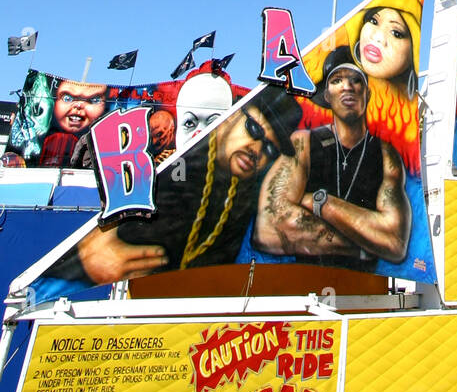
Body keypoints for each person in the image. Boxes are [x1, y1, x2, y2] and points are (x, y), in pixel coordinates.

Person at [72, 87, 300, 282]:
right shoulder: (174, 163)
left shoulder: (242, 195)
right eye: (254, 130)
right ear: (231, 117)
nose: (257, 150)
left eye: (270, 148)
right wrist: (88, 254)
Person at [256, 48, 411, 267]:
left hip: (362, 289)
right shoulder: (304, 143)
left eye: (355, 80)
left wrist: (322, 203)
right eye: (337, 80)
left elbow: (395, 243)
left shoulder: (385, 154)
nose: (347, 87)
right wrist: (363, 246)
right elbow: (268, 228)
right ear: (327, 95)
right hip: (306, 288)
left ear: (366, 93)